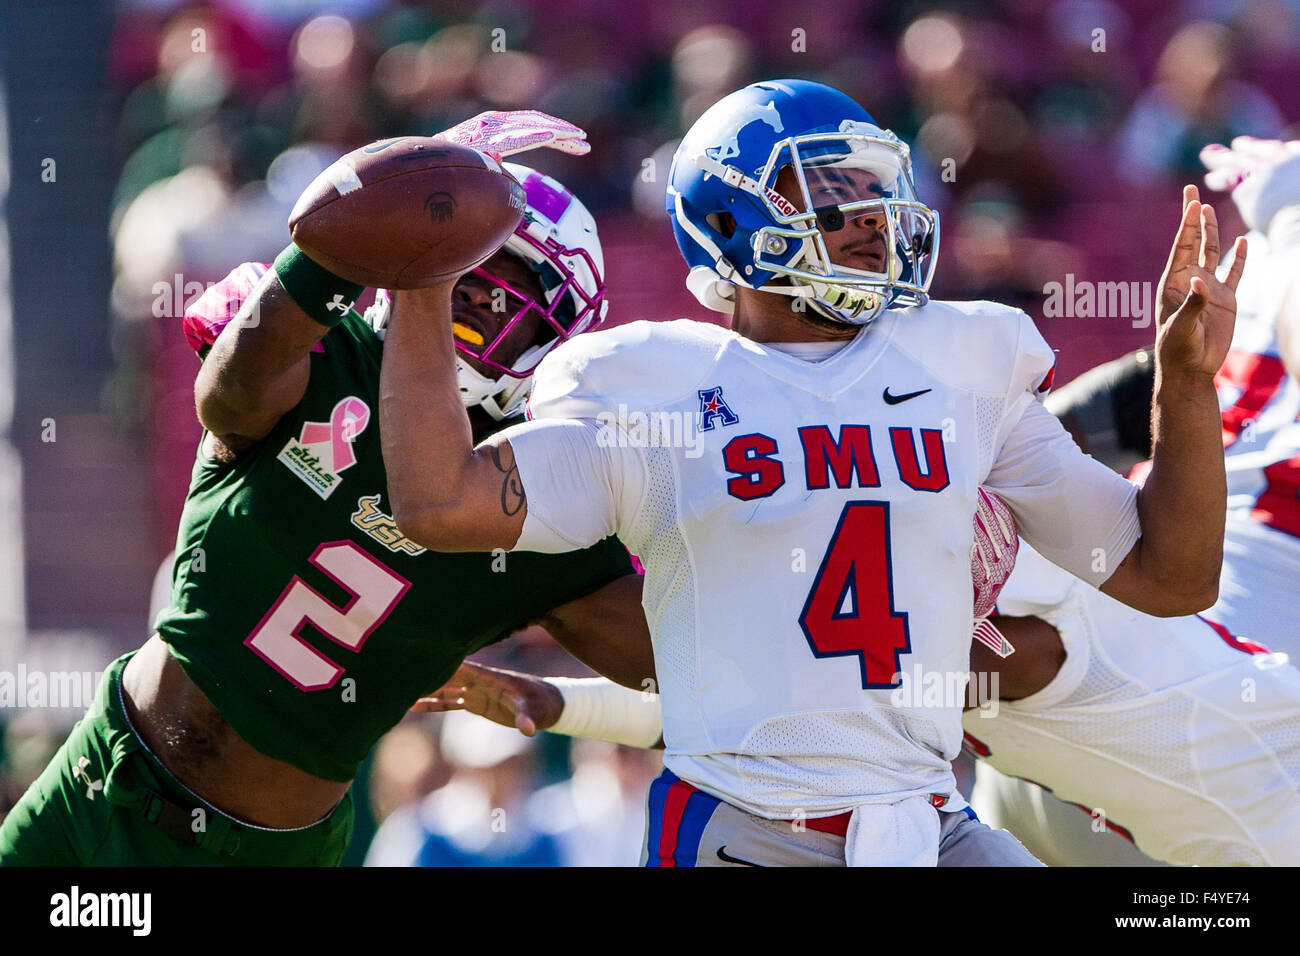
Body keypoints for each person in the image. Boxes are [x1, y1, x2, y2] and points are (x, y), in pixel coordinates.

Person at [375, 80, 1245, 866]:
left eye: (876, 188)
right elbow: (439, 502)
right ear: (730, 217)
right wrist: (421, 273)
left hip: (927, 823)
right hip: (745, 824)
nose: (870, 215)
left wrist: (1188, 383)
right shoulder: (655, 385)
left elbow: (1170, 577)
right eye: (832, 191)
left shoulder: (965, 364)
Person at [0, 115, 652, 866]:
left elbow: (709, 686)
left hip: (261, 853)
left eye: (512, 285)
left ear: (556, 333)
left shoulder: (541, 496)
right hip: (101, 773)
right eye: (465, 265)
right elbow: (231, 394)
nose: (478, 295)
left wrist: (565, 703)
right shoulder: (319, 353)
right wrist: (402, 192)